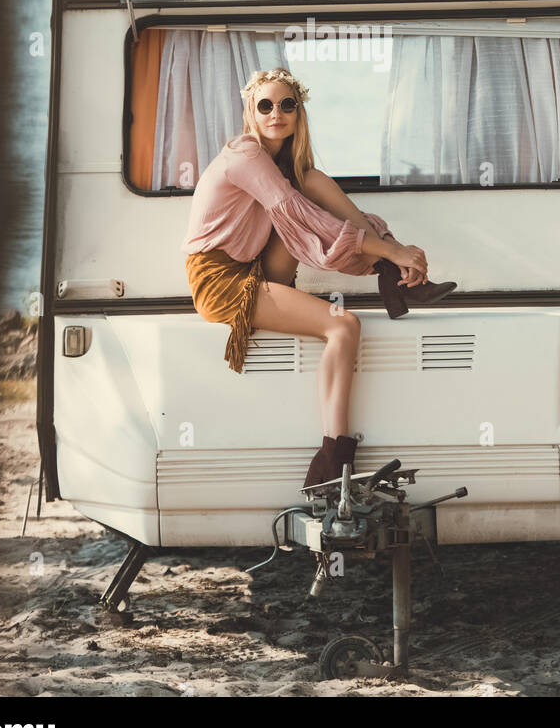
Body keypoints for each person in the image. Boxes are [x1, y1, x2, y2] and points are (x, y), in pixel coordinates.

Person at [181, 67, 455, 488]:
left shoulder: (282, 164)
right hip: (220, 281)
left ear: (299, 111)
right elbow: (297, 215)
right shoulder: (246, 154)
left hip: (254, 268)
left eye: (287, 104)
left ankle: (390, 272)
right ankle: (333, 457)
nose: (277, 114)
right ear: (250, 113)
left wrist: (387, 243)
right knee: (344, 325)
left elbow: (306, 203)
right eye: (265, 105)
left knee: (310, 180)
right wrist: (389, 249)